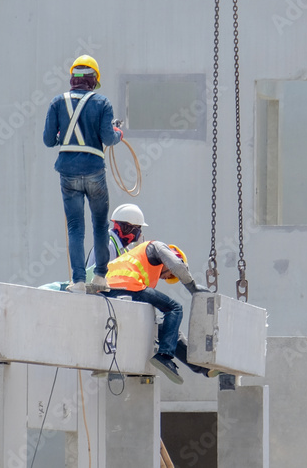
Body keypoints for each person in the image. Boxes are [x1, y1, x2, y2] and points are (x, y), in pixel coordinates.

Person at [43, 55, 122, 294]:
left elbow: (48, 140)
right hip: (94, 171)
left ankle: (77, 281)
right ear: (94, 80)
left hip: (67, 173)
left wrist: (63, 139)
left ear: (72, 78)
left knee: (76, 228)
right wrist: (119, 133)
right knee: (100, 225)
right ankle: (99, 277)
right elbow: (108, 138)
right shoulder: (102, 103)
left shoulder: (57, 103)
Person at [103, 240, 209, 384]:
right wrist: (194, 289)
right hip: (128, 286)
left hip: (107, 291)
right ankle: (164, 356)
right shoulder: (156, 247)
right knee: (175, 308)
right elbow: (177, 265)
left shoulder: (135, 261)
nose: (167, 278)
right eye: (171, 275)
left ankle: (201, 367)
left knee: (161, 328)